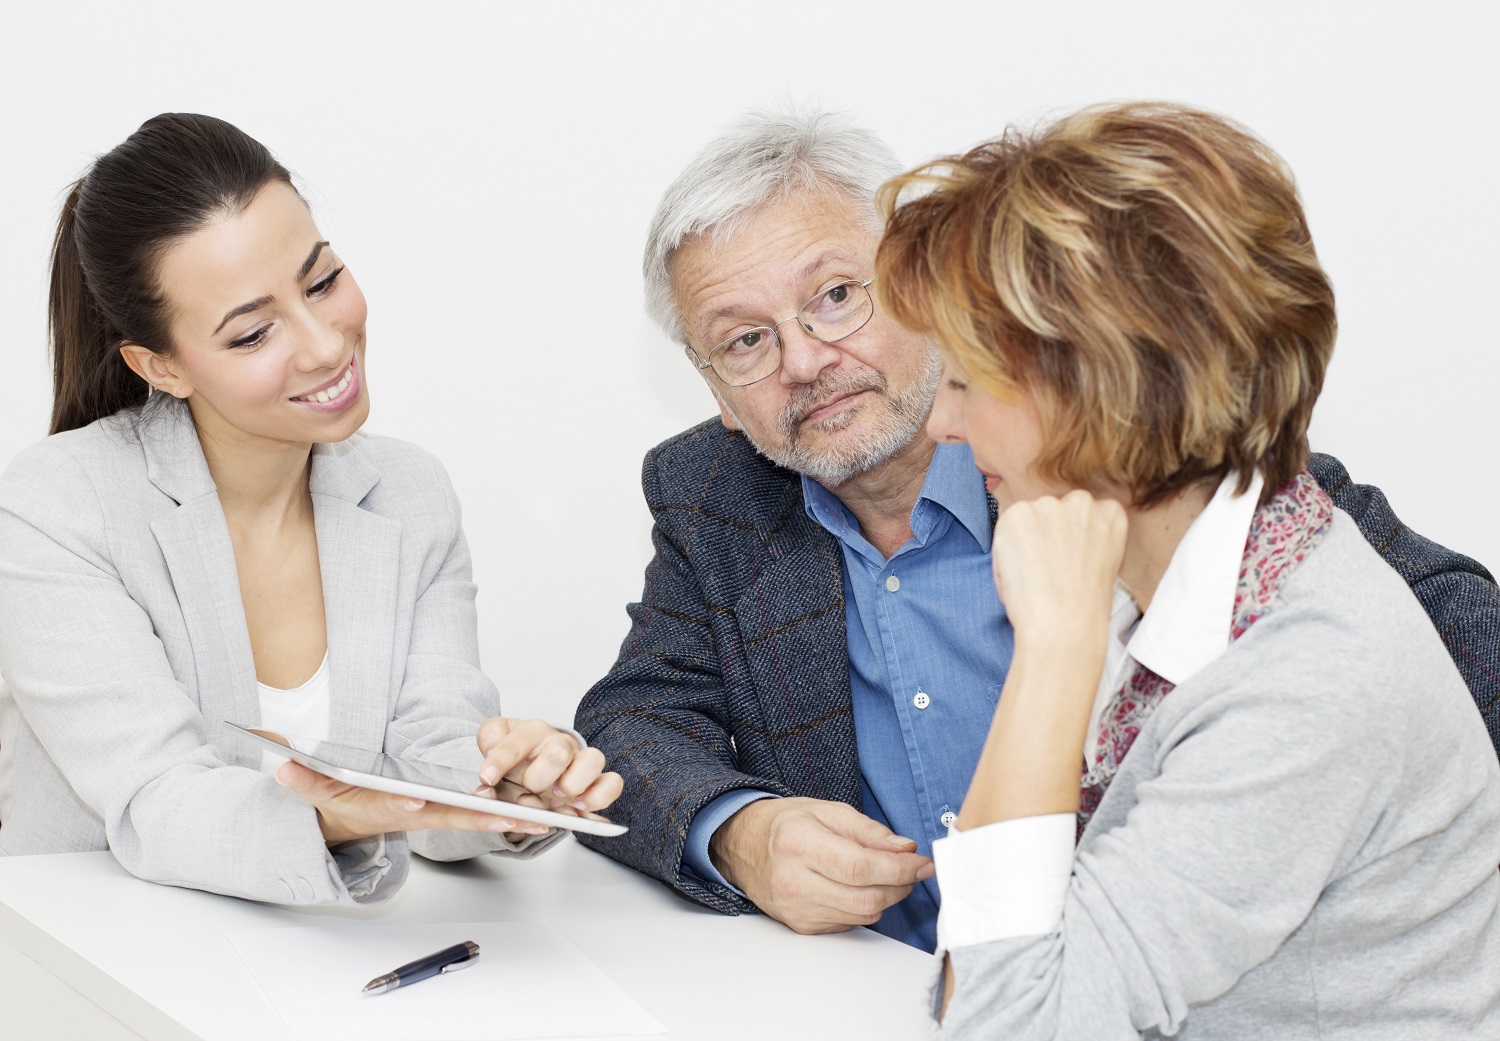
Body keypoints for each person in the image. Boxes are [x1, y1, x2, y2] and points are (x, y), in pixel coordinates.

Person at [572, 105, 1500, 954]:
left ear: (915, 283)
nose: (807, 359)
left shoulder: (1115, 451)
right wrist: (740, 831)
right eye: (746, 340)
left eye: (836, 295)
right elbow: (630, 722)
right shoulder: (713, 493)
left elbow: (1436, 637)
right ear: (717, 395)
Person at [874, 100, 1500, 1036]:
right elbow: (996, 974)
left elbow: (1011, 1026)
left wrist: (1052, 655)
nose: (942, 427)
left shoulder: (1308, 682)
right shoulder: (1165, 574)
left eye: (965, 379)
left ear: (1098, 382)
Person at [0, 113, 621, 904]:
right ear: (160, 365)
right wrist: (335, 818)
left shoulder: (409, 490)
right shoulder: (58, 505)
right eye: (254, 333)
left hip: (320, 971)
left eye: (322, 280)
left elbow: (428, 750)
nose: (326, 345)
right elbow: (154, 798)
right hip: (102, 974)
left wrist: (506, 789)